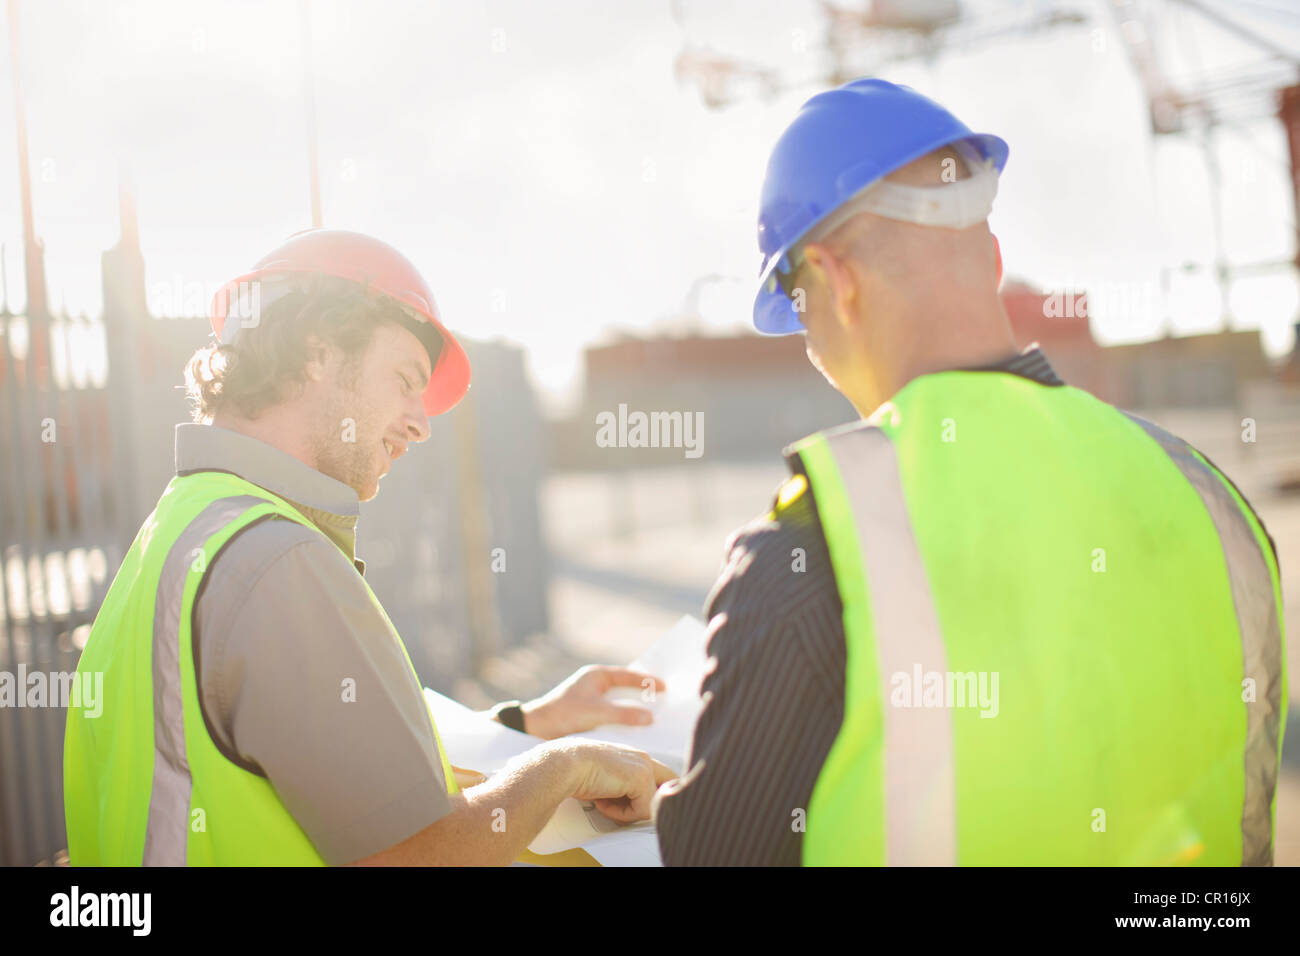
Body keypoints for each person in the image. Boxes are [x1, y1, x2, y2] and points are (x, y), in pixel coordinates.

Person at [653, 78, 1287, 866]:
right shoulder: (1205, 494)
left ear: (835, 278)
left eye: (795, 296)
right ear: (989, 256)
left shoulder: (812, 550)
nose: (807, 341)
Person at [64, 229, 674, 866]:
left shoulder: (181, 526)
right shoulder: (276, 561)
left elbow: (319, 761)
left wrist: (524, 725)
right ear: (317, 353)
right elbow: (415, 858)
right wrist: (563, 769)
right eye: (406, 380)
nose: (420, 422)